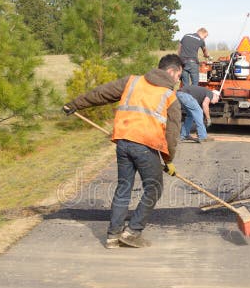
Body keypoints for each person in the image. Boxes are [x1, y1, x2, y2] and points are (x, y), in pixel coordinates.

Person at [62, 55, 183, 249]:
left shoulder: (132, 81)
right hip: (145, 146)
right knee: (154, 188)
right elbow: (172, 133)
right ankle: (132, 232)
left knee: (124, 187)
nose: (178, 80)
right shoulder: (170, 96)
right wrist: (168, 160)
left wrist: (74, 104)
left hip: (123, 142)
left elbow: (101, 93)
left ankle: (113, 236)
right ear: (171, 72)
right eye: (179, 75)